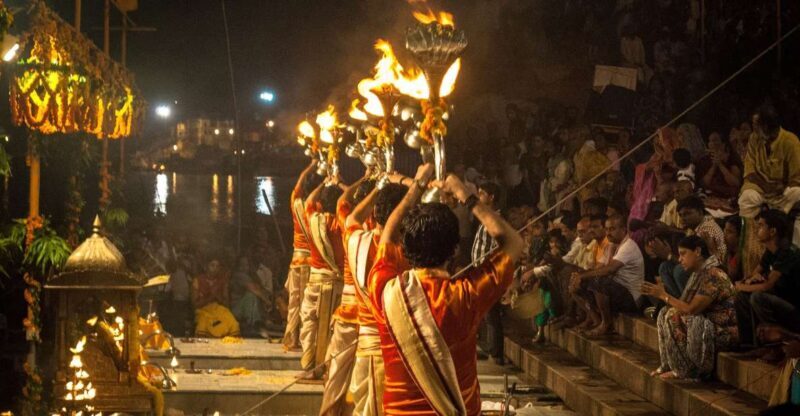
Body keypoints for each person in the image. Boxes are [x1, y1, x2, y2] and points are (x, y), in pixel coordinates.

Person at [369, 170, 524, 415]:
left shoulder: (384, 289)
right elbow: (513, 243)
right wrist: (467, 197)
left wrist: (417, 185)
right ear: (454, 250)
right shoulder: (466, 295)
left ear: (404, 247)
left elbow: (387, 232)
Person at [345, 179, 408, 416]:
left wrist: (376, 191)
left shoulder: (355, 240)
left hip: (365, 348)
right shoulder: (400, 254)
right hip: (387, 350)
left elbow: (351, 217)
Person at [643, 236, 739, 380]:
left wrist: (664, 296)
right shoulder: (697, 274)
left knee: (678, 317)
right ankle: (669, 365)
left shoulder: (713, 274)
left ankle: (690, 370)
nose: (680, 259)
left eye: (683, 253)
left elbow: (691, 309)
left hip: (725, 331)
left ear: (698, 252)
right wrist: (663, 296)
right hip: (708, 325)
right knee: (664, 312)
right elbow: (682, 304)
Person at [320, 175, 375, 415]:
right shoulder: (383, 233)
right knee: (363, 380)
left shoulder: (348, 224)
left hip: (347, 310)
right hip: (367, 316)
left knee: (337, 373)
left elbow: (343, 199)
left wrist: (360, 180)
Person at [299, 178, 346, 381]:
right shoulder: (341, 223)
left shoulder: (313, 220)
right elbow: (349, 204)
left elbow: (309, 200)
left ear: (320, 203)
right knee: (330, 329)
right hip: (336, 284)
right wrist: (343, 186)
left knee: (310, 323)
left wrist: (324, 182)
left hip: (316, 283)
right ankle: (324, 368)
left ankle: (311, 366)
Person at [735, 210, 800, 353]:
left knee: (758, 297)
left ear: (772, 231)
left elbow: (767, 286)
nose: (757, 229)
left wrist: (740, 285)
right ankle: (749, 345)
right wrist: (751, 280)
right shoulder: (770, 252)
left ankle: (774, 347)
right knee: (742, 297)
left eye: (761, 226)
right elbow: (753, 275)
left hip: (794, 310)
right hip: (779, 302)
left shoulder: (787, 252)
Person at [569, 215, 644, 336]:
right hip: (618, 292)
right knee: (579, 282)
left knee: (599, 281)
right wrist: (579, 276)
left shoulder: (628, 246)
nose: (608, 233)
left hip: (632, 298)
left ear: (624, 230)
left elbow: (609, 270)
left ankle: (606, 324)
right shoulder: (612, 245)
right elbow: (598, 268)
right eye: (607, 229)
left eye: (612, 229)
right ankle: (595, 320)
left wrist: (583, 276)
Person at [738, 104, 800, 247]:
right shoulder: (754, 138)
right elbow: (749, 172)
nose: (753, 128)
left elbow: (796, 179)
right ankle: (751, 243)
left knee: (797, 193)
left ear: (765, 126)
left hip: (783, 193)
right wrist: (766, 186)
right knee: (747, 196)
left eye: (755, 125)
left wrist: (780, 188)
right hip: (761, 188)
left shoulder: (791, 142)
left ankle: (776, 223)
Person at [283, 160, 320, 351]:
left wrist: (311, 166)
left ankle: (291, 339)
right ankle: (303, 341)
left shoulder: (295, 203)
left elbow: (298, 184)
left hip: (296, 260)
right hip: (309, 261)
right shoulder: (315, 209)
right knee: (306, 303)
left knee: (294, 302)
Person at [470, 181, 506, 364]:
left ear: (491, 197)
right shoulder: (484, 217)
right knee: (484, 311)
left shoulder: (495, 219)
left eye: (482, 193)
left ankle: (497, 353)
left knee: (492, 312)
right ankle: (488, 346)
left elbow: (495, 248)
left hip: (488, 272)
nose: (479, 197)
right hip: (479, 270)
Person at [193, 258, 239, 338]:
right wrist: (210, 297)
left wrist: (218, 297)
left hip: (219, 309)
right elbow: (194, 304)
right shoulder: (198, 280)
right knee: (203, 324)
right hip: (203, 310)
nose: (215, 269)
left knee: (232, 322)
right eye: (212, 265)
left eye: (217, 266)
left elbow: (226, 304)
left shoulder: (222, 282)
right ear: (206, 266)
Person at [230, 256, 272, 338]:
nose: (244, 268)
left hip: (243, 308)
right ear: (238, 267)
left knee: (255, 296)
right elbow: (253, 289)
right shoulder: (239, 275)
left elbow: (260, 288)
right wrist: (267, 301)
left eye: (246, 265)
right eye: (241, 265)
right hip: (236, 309)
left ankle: (261, 322)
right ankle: (253, 324)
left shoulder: (250, 275)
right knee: (251, 295)